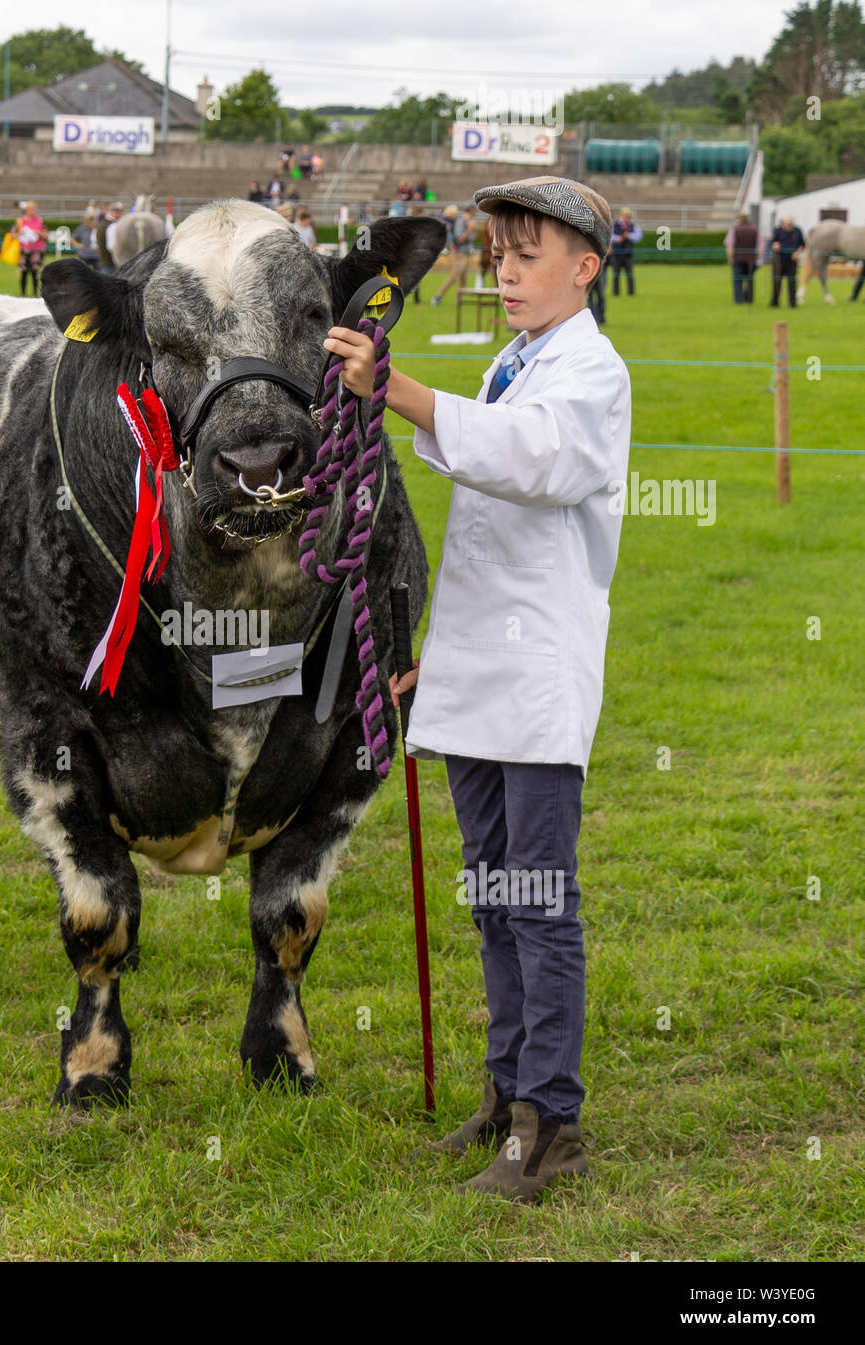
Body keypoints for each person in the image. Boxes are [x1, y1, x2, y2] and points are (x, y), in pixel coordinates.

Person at [323, 175, 630, 1202]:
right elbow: (488, 542)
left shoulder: (590, 373)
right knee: (494, 898)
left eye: (527, 254)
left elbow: (527, 462)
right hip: (481, 674)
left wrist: (395, 388)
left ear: (584, 268)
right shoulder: (511, 360)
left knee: (537, 899)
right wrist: (437, 655)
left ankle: (553, 1121)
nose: (505, 272)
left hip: (539, 682)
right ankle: (506, 1097)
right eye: (498, 254)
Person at [433, 204, 476, 305]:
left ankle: (460, 301)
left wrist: (472, 230)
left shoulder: (471, 221)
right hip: (459, 253)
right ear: (471, 210)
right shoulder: (461, 221)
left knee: (464, 278)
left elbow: (471, 239)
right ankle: (438, 297)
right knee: (454, 277)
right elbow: (459, 239)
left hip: (467, 253)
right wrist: (469, 229)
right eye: (475, 209)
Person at [14, 199, 48, 297]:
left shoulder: (40, 221)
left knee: (35, 273)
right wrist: (20, 233)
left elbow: (46, 235)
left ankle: (34, 294)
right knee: (23, 272)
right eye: (31, 209)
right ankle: (23, 294)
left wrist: (39, 233)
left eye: (34, 209)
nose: (33, 211)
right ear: (26, 210)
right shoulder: (20, 221)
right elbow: (12, 234)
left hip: (36, 250)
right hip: (24, 250)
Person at [769, 215, 804, 307]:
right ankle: (775, 303)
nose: (790, 226)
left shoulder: (797, 231)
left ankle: (792, 304)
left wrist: (797, 253)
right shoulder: (777, 231)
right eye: (788, 224)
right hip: (779, 260)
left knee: (792, 283)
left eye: (791, 224)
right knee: (777, 282)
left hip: (792, 261)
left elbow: (802, 245)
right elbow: (772, 243)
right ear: (783, 224)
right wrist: (775, 245)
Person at [726, 210, 759, 304]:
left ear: (739, 219)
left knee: (738, 280)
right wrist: (759, 258)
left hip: (738, 259)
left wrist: (730, 259)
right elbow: (761, 245)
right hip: (751, 259)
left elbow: (729, 246)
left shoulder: (735, 230)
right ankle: (749, 299)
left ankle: (739, 300)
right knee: (750, 279)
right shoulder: (755, 229)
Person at [609, 208, 642, 296]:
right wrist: (617, 239)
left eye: (628, 216)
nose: (626, 217)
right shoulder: (614, 225)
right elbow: (610, 236)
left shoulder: (633, 226)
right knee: (616, 274)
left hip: (628, 254)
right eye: (625, 215)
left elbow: (638, 237)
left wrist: (629, 235)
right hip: (616, 254)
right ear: (621, 215)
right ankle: (616, 292)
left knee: (630, 274)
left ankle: (631, 292)